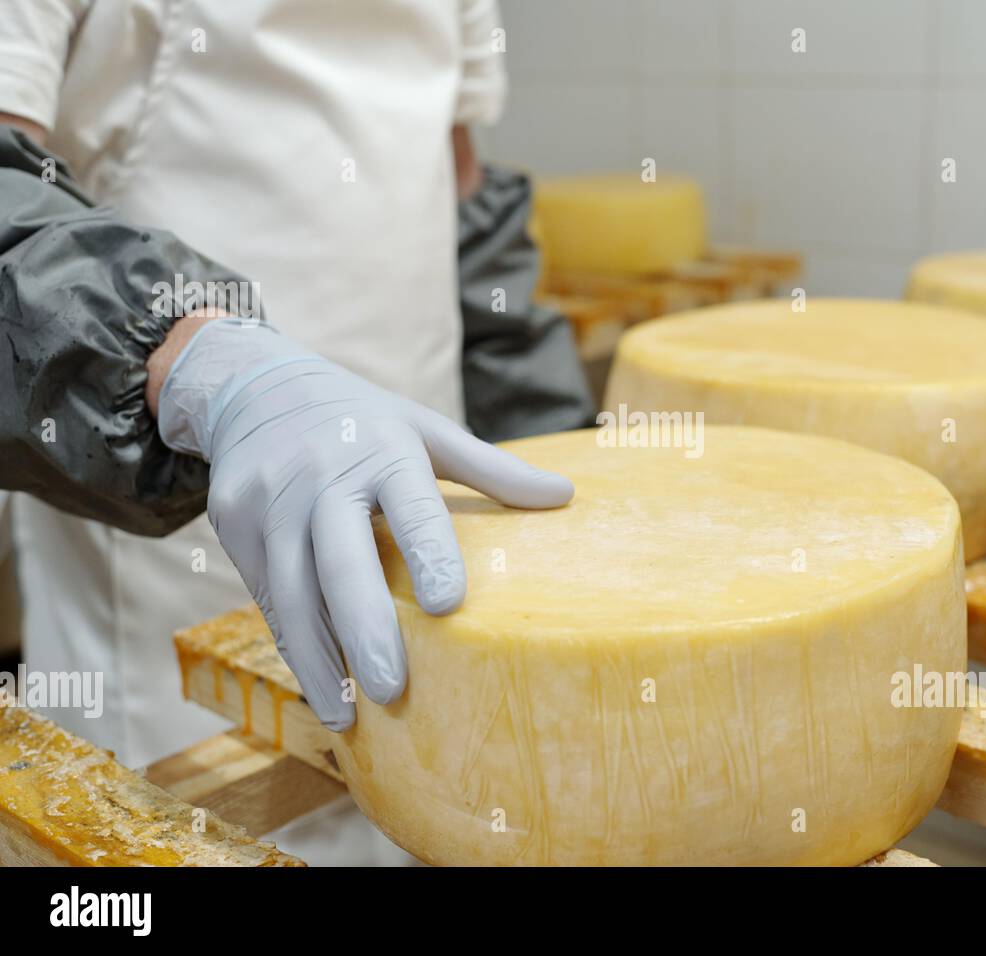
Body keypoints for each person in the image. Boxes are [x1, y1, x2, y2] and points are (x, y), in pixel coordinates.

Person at [0, 1, 586, 862]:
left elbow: (462, 204)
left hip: (415, 525)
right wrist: (201, 364)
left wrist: (553, 442)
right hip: (176, 551)